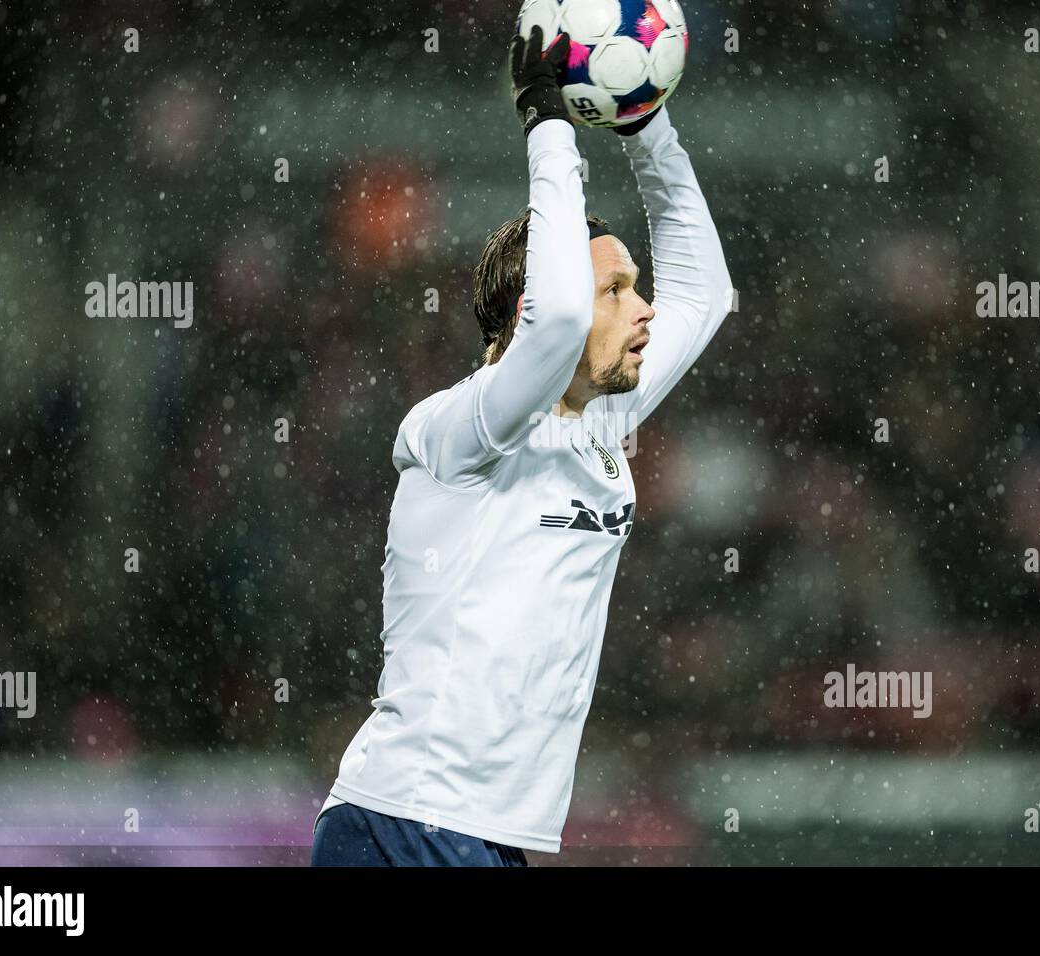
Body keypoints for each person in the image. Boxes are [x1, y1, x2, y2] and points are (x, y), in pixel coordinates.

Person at [311, 25, 732, 866]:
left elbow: (707, 291)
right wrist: (548, 124)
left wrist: (649, 125)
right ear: (522, 316)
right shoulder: (458, 432)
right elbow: (561, 322)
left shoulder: (600, 420)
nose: (644, 308)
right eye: (618, 288)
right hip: (405, 818)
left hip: (482, 836)